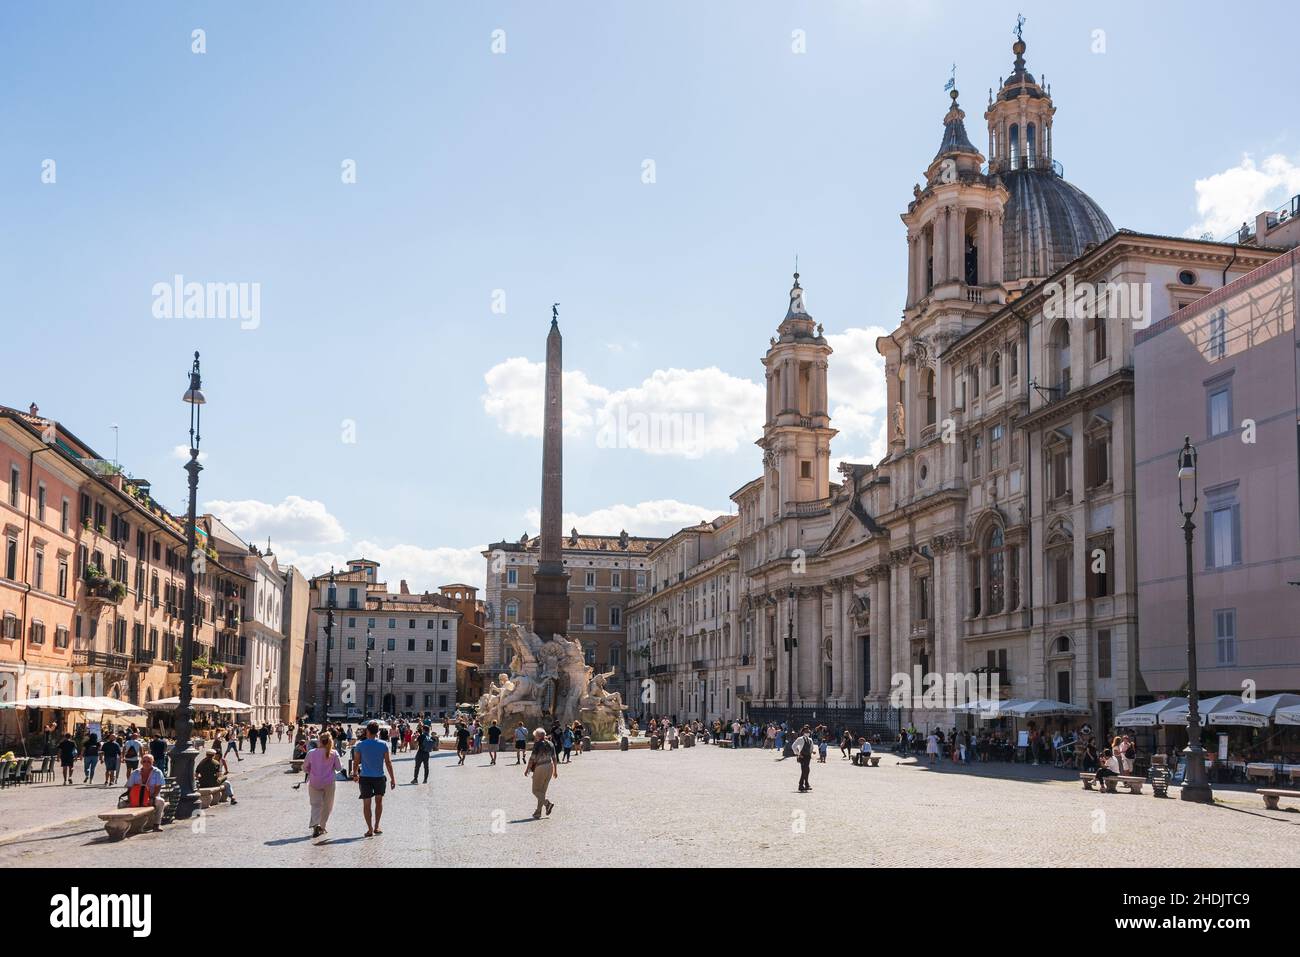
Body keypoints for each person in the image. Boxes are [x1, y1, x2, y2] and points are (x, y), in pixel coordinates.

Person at [352, 721, 396, 837]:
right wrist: (393, 778)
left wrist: (355, 774)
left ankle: (370, 828)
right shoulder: (383, 744)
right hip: (379, 777)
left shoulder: (360, 745)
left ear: (367, 731)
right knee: (379, 802)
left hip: (365, 778)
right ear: (378, 732)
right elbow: (388, 762)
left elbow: (356, 762)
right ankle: (377, 826)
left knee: (366, 804)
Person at [304, 731, 343, 837]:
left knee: (315, 804)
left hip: (314, 781)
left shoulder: (311, 752)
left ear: (319, 741)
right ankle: (322, 826)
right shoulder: (334, 753)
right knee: (327, 805)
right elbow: (339, 768)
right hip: (329, 782)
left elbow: (305, 768)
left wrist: (312, 771)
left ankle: (315, 824)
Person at [125, 753, 167, 830]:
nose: (146, 763)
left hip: (152, 797)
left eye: (149, 761)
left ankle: (156, 824)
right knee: (121, 804)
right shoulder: (135, 773)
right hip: (137, 798)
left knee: (161, 802)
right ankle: (126, 825)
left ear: (152, 762)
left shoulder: (157, 772)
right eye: (144, 761)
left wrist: (152, 797)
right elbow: (130, 787)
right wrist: (130, 799)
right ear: (141, 762)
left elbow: (158, 787)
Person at [524, 727, 557, 819]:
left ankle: (547, 803)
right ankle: (538, 812)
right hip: (549, 766)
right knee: (542, 791)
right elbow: (554, 758)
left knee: (535, 790)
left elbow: (532, 758)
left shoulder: (537, 744)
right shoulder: (551, 743)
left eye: (535, 736)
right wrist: (555, 771)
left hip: (540, 767)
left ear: (538, 736)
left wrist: (527, 769)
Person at [792, 725, 814, 792]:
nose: (808, 732)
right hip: (802, 756)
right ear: (803, 732)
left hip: (808, 757)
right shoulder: (800, 739)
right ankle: (801, 785)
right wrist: (798, 753)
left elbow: (811, 747)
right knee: (804, 770)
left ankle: (806, 784)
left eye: (808, 731)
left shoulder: (810, 739)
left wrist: (812, 751)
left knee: (807, 770)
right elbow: (793, 746)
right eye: (806, 731)